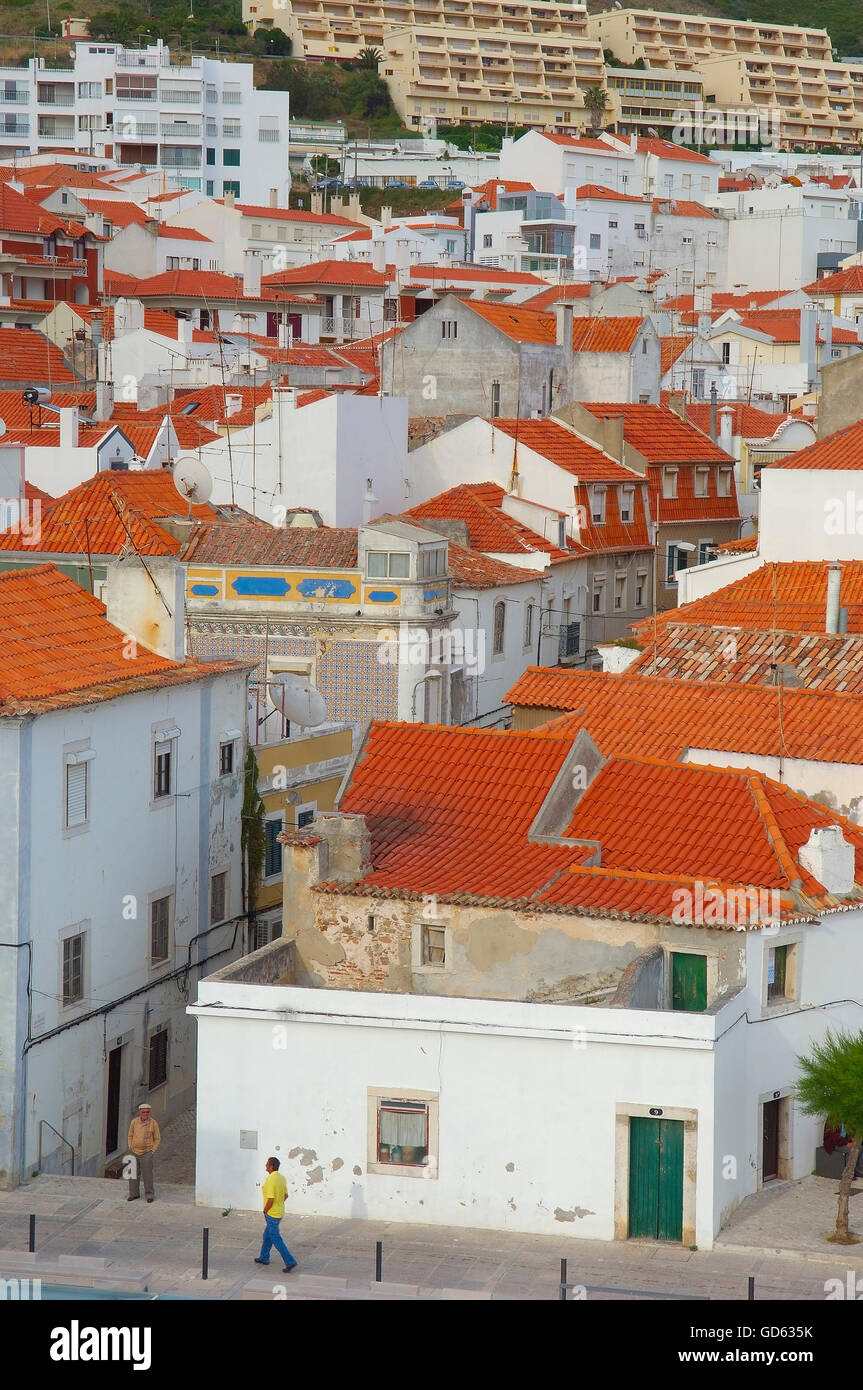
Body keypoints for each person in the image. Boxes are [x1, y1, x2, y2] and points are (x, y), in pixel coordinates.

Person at [254, 1157, 297, 1273]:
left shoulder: (271, 1179)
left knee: (276, 1239)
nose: (265, 1166)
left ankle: (290, 1261)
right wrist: (279, 1204)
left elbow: (271, 1199)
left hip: (272, 1214)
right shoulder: (281, 1178)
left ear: (272, 1166)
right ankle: (264, 1257)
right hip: (279, 1212)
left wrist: (265, 1210)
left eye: (267, 1164)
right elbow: (285, 1195)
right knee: (267, 1235)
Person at [127, 1102, 161, 1203]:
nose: (145, 1114)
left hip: (146, 1152)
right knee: (133, 1174)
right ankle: (134, 1194)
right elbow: (130, 1135)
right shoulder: (134, 1122)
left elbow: (157, 1138)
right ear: (140, 1112)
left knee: (147, 1175)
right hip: (134, 1151)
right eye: (143, 1112)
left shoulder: (153, 1123)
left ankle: (149, 1195)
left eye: (147, 1112)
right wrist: (130, 1146)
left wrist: (152, 1150)